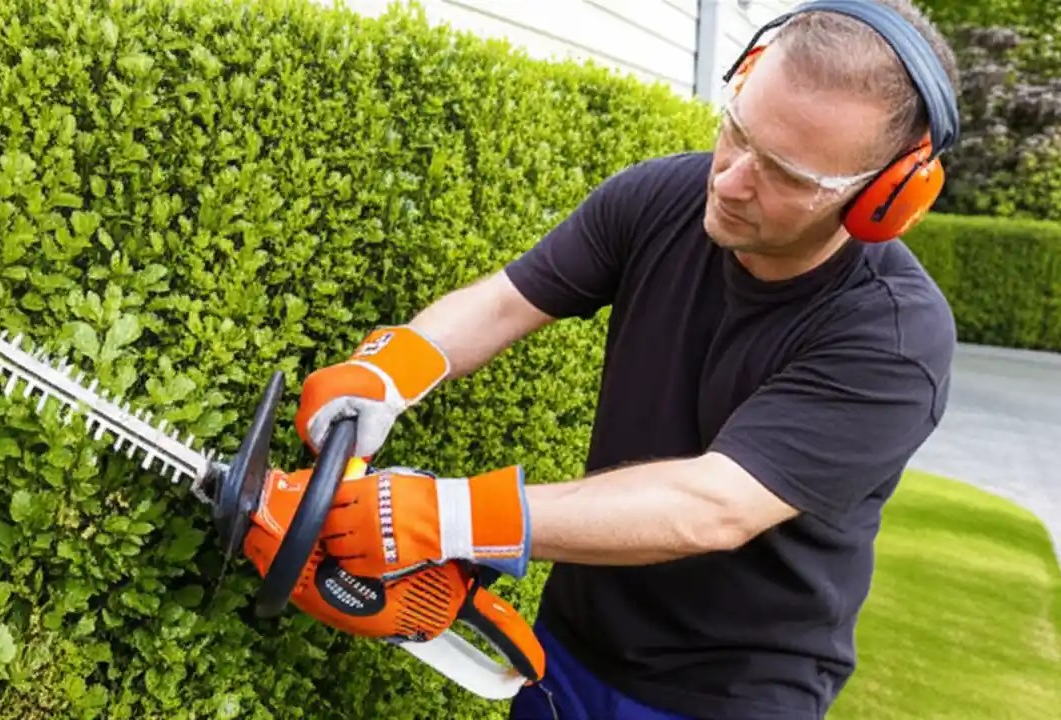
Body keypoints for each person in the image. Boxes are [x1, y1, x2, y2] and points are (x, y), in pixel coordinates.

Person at [247, 1, 964, 718]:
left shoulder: (894, 339)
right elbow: (504, 302)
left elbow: (711, 507)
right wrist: (394, 366)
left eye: (787, 174)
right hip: (570, 645)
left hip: (731, 695)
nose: (732, 180)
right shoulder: (663, 196)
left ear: (883, 200)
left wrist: (449, 514)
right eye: (737, 130)